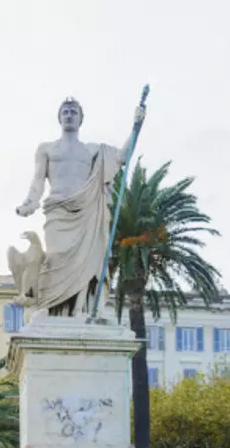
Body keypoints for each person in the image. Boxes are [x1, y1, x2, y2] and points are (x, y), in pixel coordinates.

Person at [15, 97, 146, 316]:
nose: (69, 115)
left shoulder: (93, 150)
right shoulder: (46, 149)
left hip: (87, 212)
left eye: (73, 112)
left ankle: (79, 312)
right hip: (57, 209)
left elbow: (123, 157)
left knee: (86, 262)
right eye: (65, 111)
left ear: (80, 119)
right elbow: (38, 180)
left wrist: (137, 126)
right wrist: (30, 202)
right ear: (59, 118)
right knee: (55, 257)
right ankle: (52, 307)